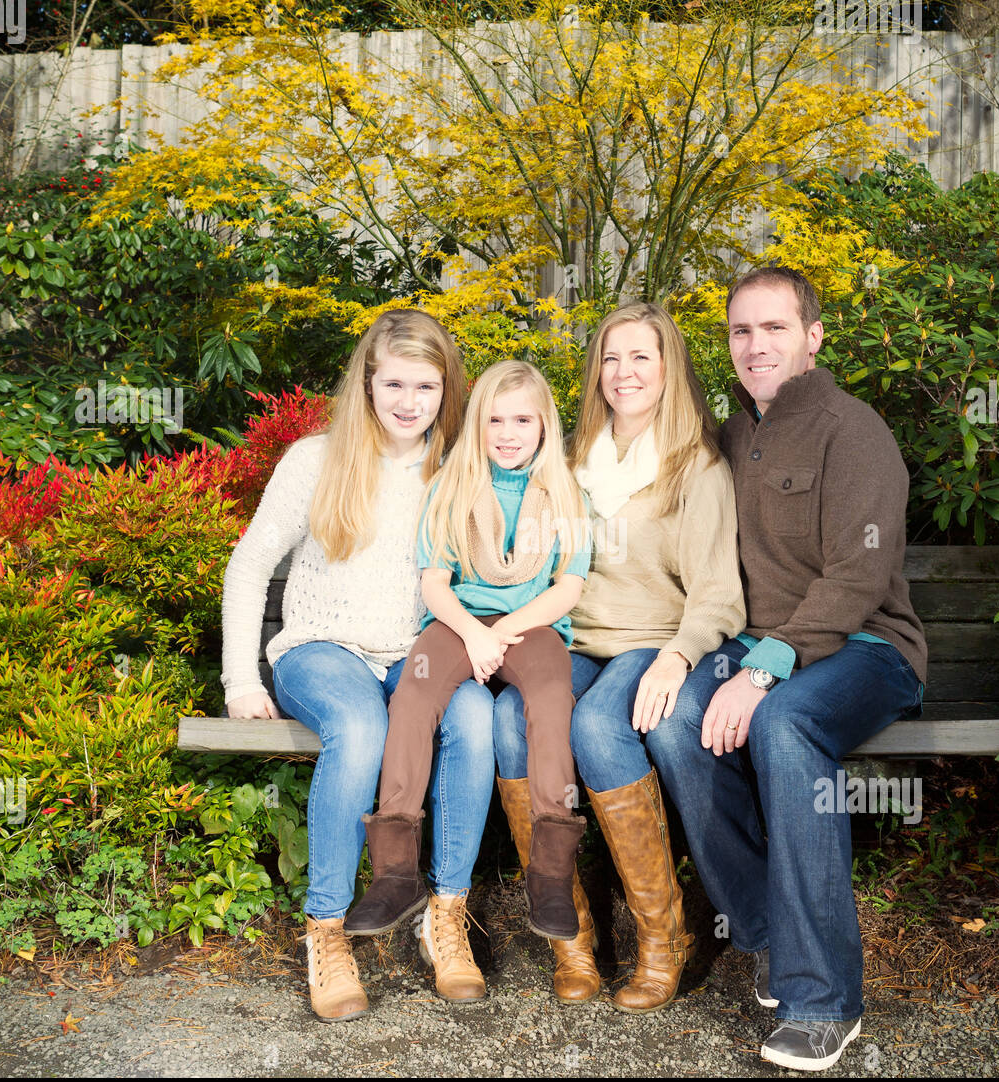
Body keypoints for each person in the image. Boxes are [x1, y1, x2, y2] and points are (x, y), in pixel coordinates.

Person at [649, 267, 927, 1070]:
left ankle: (823, 1000)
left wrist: (763, 671)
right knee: (669, 721)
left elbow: (857, 577)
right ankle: (771, 928)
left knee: (783, 721)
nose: (755, 345)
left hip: (866, 649)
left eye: (774, 328)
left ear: (812, 336)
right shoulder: (733, 436)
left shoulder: (854, 430)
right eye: (741, 331)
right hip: (758, 646)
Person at [220, 310, 495, 1021]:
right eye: (394, 382)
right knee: (359, 725)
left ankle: (447, 915)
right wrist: (240, 681)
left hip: (416, 652)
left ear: (447, 390)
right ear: (367, 382)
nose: (409, 401)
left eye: (426, 386)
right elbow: (250, 566)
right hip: (322, 650)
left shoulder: (459, 464)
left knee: (471, 717)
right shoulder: (316, 459)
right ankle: (328, 930)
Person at [493, 302, 745, 1011]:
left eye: (641, 357)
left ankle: (663, 941)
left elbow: (720, 593)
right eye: (611, 357)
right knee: (512, 720)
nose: (625, 371)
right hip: (571, 640)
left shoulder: (698, 466)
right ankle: (569, 942)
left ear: (670, 369)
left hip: (650, 642)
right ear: (595, 371)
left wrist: (677, 658)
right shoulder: (568, 461)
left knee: (599, 726)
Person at [346, 360, 592, 970]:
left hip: (529, 629)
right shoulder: (452, 487)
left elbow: (568, 588)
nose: (508, 433)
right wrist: (471, 634)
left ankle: (552, 874)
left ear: (543, 426)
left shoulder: (564, 493)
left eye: (522, 421)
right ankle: (397, 871)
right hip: (456, 623)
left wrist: (502, 634)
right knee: (412, 700)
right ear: (477, 424)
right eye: (494, 420)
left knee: (551, 701)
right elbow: (434, 583)